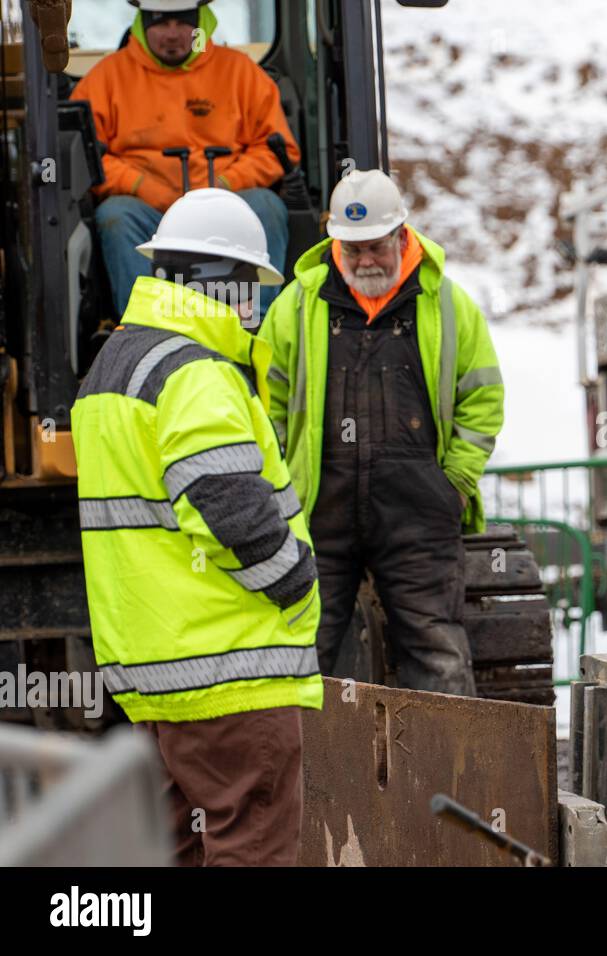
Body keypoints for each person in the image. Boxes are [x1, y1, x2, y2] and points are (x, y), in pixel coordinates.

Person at [71, 188, 321, 866]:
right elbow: (228, 509)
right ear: (213, 283)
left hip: (153, 675)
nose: (254, 308)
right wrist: (295, 585)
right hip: (230, 674)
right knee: (251, 847)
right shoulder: (195, 372)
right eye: (248, 288)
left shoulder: (111, 370)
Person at [259, 169, 504, 695]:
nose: (365, 261)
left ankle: (445, 777)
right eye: (352, 250)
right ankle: (305, 779)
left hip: (419, 511)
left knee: (436, 651)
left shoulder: (446, 305)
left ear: (401, 236)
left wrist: (454, 483)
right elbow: (268, 407)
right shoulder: (296, 308)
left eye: (375, 247)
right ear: (333, 242)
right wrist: (282, 486)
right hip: (319, 510)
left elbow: (482, 397)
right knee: (303, 654)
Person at [70, 0, 300, 318]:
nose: (173, 34)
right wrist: (141, 186)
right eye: (161, 23)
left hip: (227, 207)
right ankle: (146, 328)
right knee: (116, 215)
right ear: (142, 24)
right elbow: (86, 156)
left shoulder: (241, 73)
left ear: (202, 22)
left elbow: (278, 149)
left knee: (266, 206)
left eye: (183, 23)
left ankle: (254, 322)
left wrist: (224, 184)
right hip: (147, 211)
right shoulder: (105, 79)